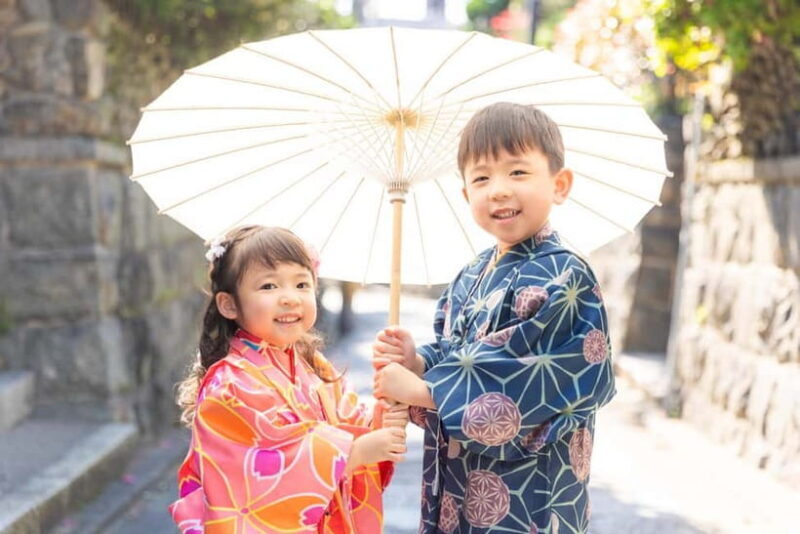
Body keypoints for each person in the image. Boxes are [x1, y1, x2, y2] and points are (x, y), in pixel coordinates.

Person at [372, 102, 616, 534]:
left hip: (529, 492)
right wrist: (418, 361)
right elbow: (455, 348)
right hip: (457, 482)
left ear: (559, 184)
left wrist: (426, 391)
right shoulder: (471, 274)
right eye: (481, 178)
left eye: (517, 172)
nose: (498, 190)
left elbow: (536, 380)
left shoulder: (567, 276)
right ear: (466, 194)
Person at [171, 225, 407, 533]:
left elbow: (352, 422)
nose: (290, 298)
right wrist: (358, 451)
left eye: (301, 284)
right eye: (269, 286)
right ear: (229, 304)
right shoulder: (229, 385)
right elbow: (258, 474)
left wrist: (386, 414)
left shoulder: (313, 365)